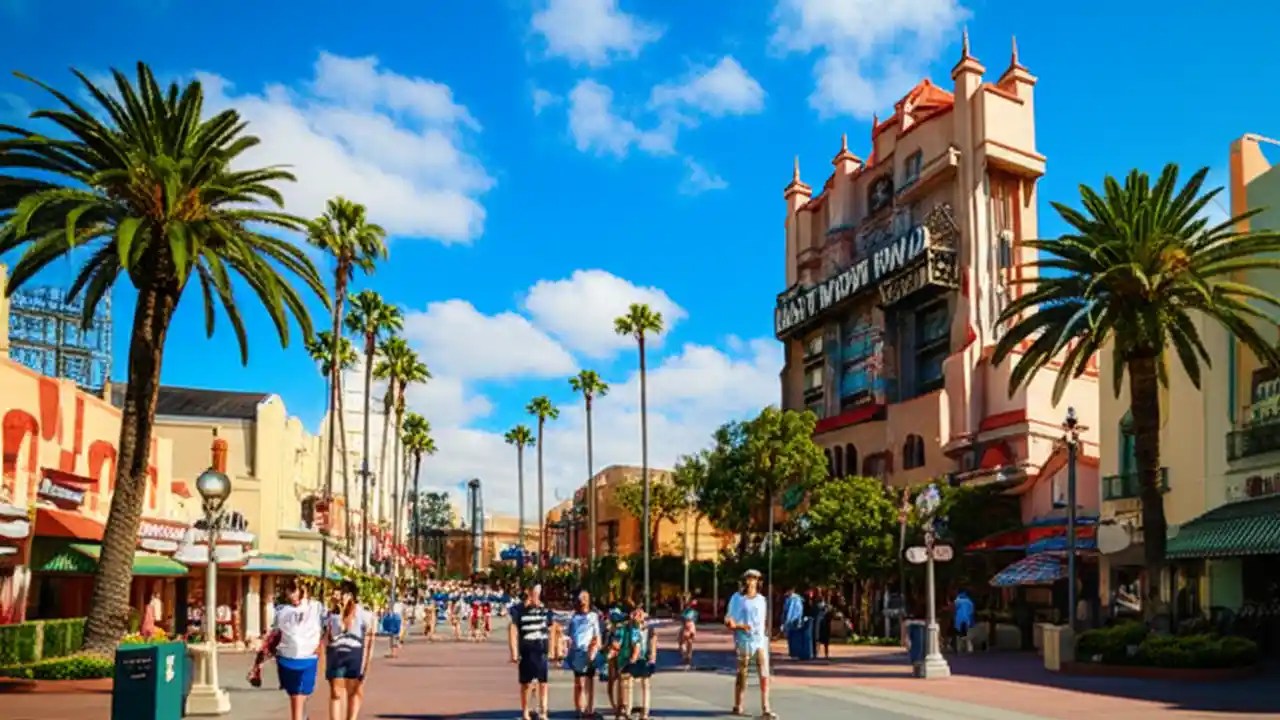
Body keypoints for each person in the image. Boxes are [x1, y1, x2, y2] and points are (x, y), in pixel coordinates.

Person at [267, 577, 323, 720]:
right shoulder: (282, 611)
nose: (292, 595)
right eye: (290, 591)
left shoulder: (315, 607)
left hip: (308, 657)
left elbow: (326, 627)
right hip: (288, 657)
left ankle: (301, 716)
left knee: (300, 695)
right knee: (296, 695)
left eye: (295, 590)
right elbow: (275, 634)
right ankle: (301, 716)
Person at [324, 579, 376, 720]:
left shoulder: (362, 613)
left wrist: (367, 662)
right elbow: (329, 637)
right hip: (336, 653)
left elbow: (370, 636)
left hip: (354, 653)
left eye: (342, 594)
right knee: (335, 691)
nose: (338, 597)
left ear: (351, 595)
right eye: (337, 594)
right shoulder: (331, 614)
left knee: (354, 690)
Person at [726, 569, 774, 719]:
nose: (751, 581)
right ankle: (738, 704)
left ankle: (766, 707)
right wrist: (740, 626)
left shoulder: (761, 600)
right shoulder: (737, 598)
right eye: (749, 578)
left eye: (754, 579)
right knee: (743, 673)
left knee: (764, 672)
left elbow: (762, 621)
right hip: (743, 640)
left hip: (760, 640)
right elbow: (729, 620)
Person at [509, 582, 558, 720]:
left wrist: (553, 649)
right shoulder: (518, 609)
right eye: (534, 592)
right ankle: (525, 711)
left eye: (538, 592)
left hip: (541, 649)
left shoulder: (545, 609)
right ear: (528, 592)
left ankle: (543, 710)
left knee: (543, 682)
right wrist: (514, 651)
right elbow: (513, 629)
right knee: (526, 683)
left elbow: (551, 628)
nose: (536, 595)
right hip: (526, 650)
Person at [564, 588, 602, 719]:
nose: (583, 601)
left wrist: (597, 647)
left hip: (590, 651)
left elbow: (597, 634)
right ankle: (579, 709)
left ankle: (590, 709)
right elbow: (567, 635)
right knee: (579, 682)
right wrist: (565, 649)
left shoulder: (593, 616)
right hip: (577, 652)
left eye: (586, 598)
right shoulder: (573, 617)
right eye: (581, 598)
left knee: (590, 682)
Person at [616, 603, 656, 720]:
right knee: (629, 683)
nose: (638, 615)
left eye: (640, 612)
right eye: (635, 613)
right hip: (631, 658)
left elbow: (653, 642)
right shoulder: (628, 628)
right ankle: (628, 710)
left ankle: (645, 712)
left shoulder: (649, 628)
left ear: (645, 615)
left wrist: (653, 657)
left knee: (646, 684)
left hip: (645, 658)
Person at [953, 589, 975, 654]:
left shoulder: (957, 601)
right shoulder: (970, 602)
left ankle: (959, 648)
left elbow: (954, 609)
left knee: (959, 634)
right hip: (967, 619)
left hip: (959, 619)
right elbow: (971, 611)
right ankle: (969, 648)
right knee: (967, 634)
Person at [678, 599, 698, 668]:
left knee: (682, 642)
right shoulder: (695, 612)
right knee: (689, 642)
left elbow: (683, 618)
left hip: (687, 625)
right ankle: (688, 656)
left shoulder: (687, 611)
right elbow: (695, 619)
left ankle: (685, 656)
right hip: (692, 626)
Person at [813, 591, 832, 660]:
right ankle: (816, 653)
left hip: (824, 626)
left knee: (825, 641)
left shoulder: (827, 607)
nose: (820, 597)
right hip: (817, 625)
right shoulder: (815, 606)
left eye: (821, 596)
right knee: (816, 640)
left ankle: (826, 654)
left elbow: (829, 617)